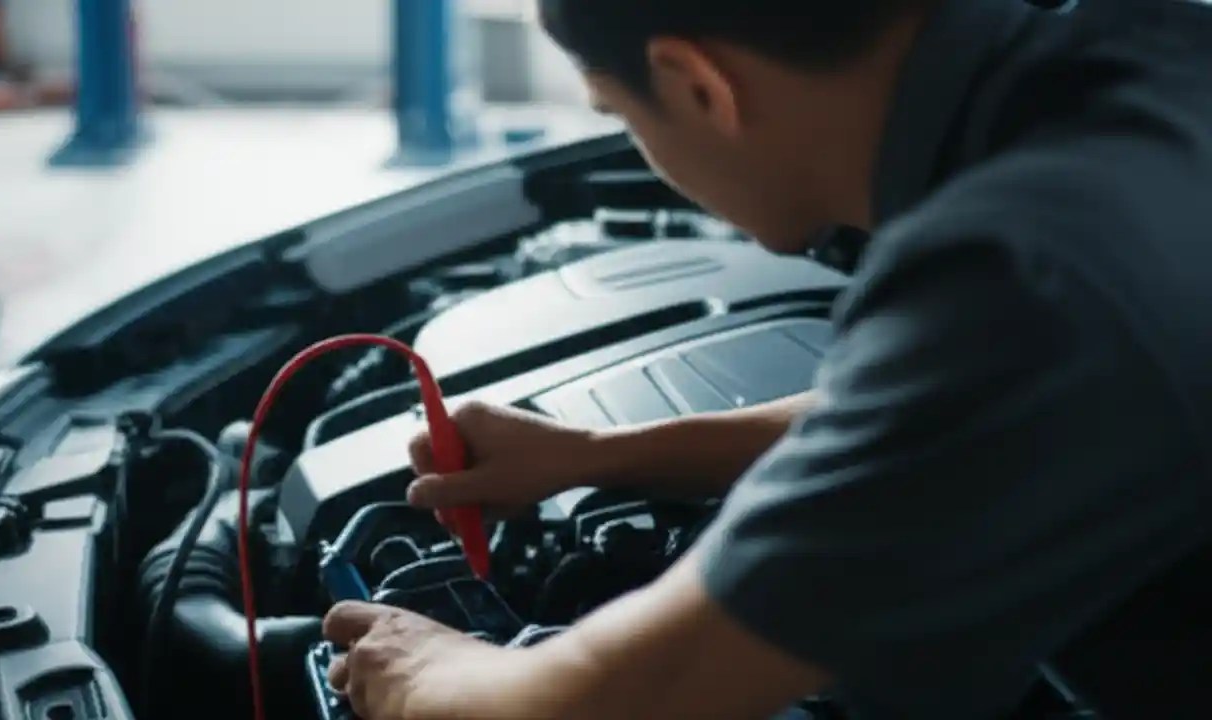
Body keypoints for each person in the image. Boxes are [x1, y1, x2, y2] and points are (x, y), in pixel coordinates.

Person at [324, 0, 1212, 717]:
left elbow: (618, 698)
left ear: (696, 84)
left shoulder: (1022, 269)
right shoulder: (1142, 56)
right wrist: (597, 458)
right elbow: (932, 414)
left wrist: (424, 678)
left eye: (619, 114)